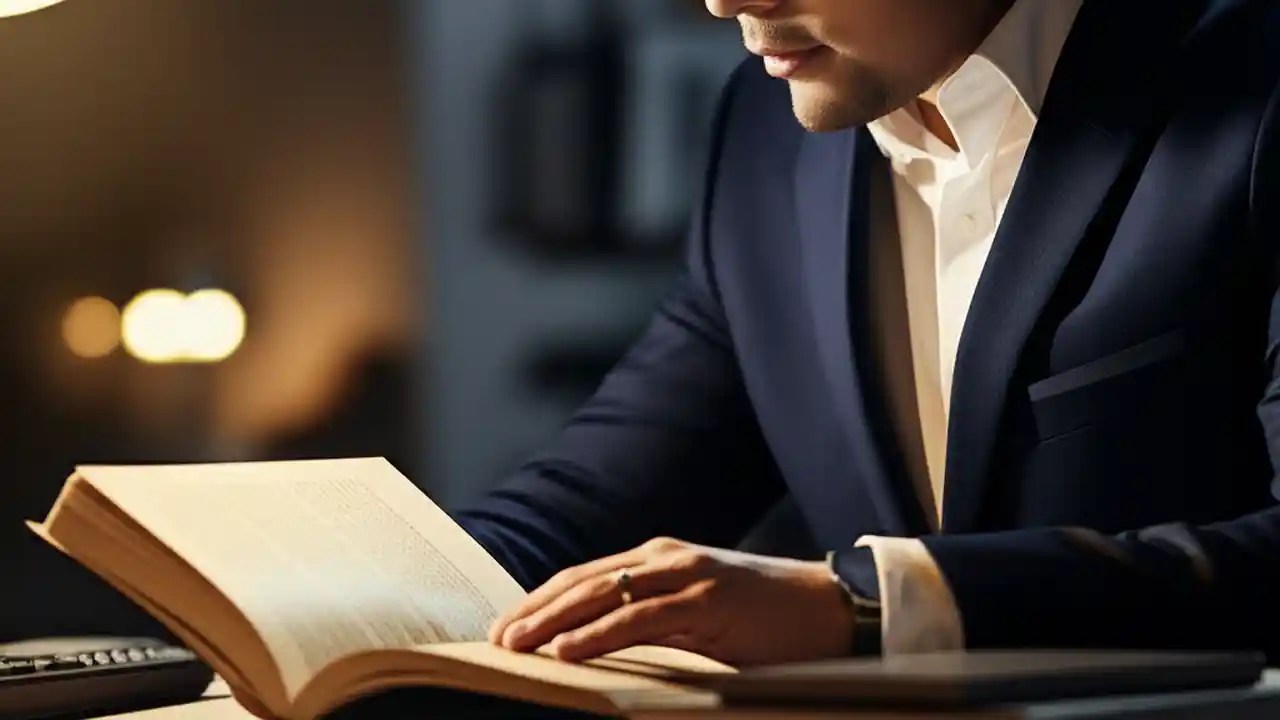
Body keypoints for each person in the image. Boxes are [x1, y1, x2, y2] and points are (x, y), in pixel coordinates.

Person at [458, 0, 1280, 665]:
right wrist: (399, 586)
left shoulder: (1255, 85)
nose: (723, 4)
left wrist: (862, 602)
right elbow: (598, 495)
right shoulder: (764, 131)